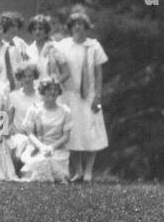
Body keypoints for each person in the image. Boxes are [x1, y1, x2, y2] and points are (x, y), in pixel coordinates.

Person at [58, 12, 109, 183]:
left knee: (90, 132)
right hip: (70, 95)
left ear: (86, 27)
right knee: (72, 133)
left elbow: (98, 73)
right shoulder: (63, 45)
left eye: (81, 24)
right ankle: (78, 171)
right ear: (70, 28)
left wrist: (98, 96)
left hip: (89, 95)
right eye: (74, 24)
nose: (78, 27)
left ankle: (88, 171)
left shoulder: (94, 46)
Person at [19, 78, 73, 183]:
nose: (52, 92)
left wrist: (52, 147)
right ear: (43, 91)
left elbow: (66, 137)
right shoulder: (34, 109)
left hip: (57, 150)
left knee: (58, 174)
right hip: (38, 149)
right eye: (49, 89)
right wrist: (42, 147)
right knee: (40, 166)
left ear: (59, 92)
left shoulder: (65, 111)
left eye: (55, 89)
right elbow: (29, 133)